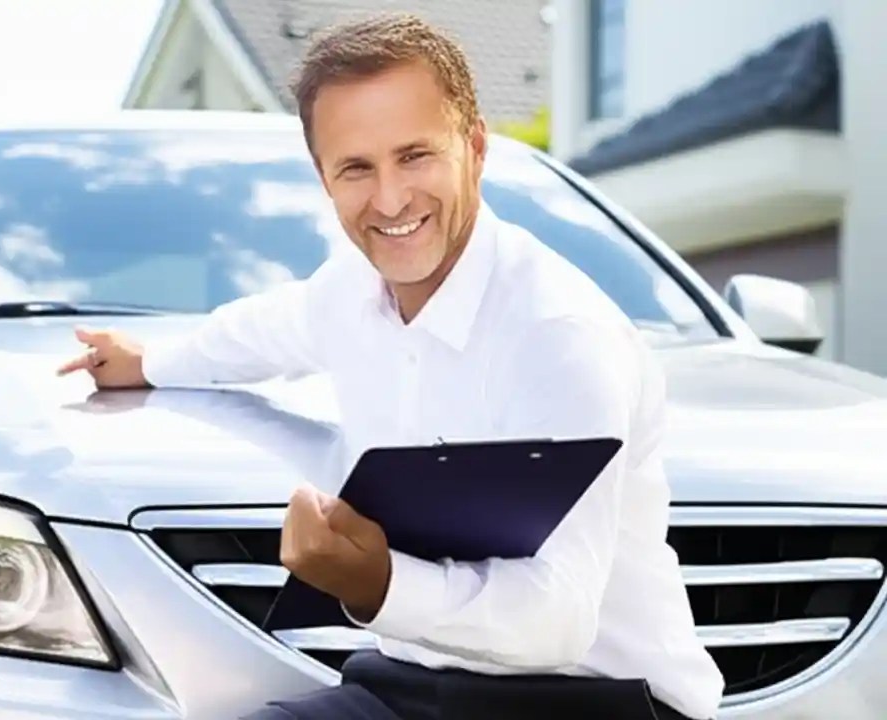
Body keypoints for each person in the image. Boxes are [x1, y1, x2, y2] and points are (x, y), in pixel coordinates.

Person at [57, 12, 725, 720]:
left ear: (475, 147)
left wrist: (377, 583)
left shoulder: (561, 336)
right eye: (356, 168)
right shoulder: (349, 290)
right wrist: (146, 362)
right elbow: (257, 332)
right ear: (324, 178)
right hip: (411, 684)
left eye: (415, 156)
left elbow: (559, 620)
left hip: (589, 702)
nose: (390, 199)